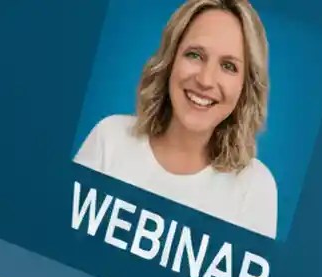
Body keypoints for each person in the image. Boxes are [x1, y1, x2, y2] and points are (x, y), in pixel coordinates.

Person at [75, 0, 278, 239]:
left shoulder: (255, 187)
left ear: (246, 86)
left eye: (228, 66)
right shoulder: (109, 138)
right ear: (171, 60)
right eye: (195, 55)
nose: (205, 80)